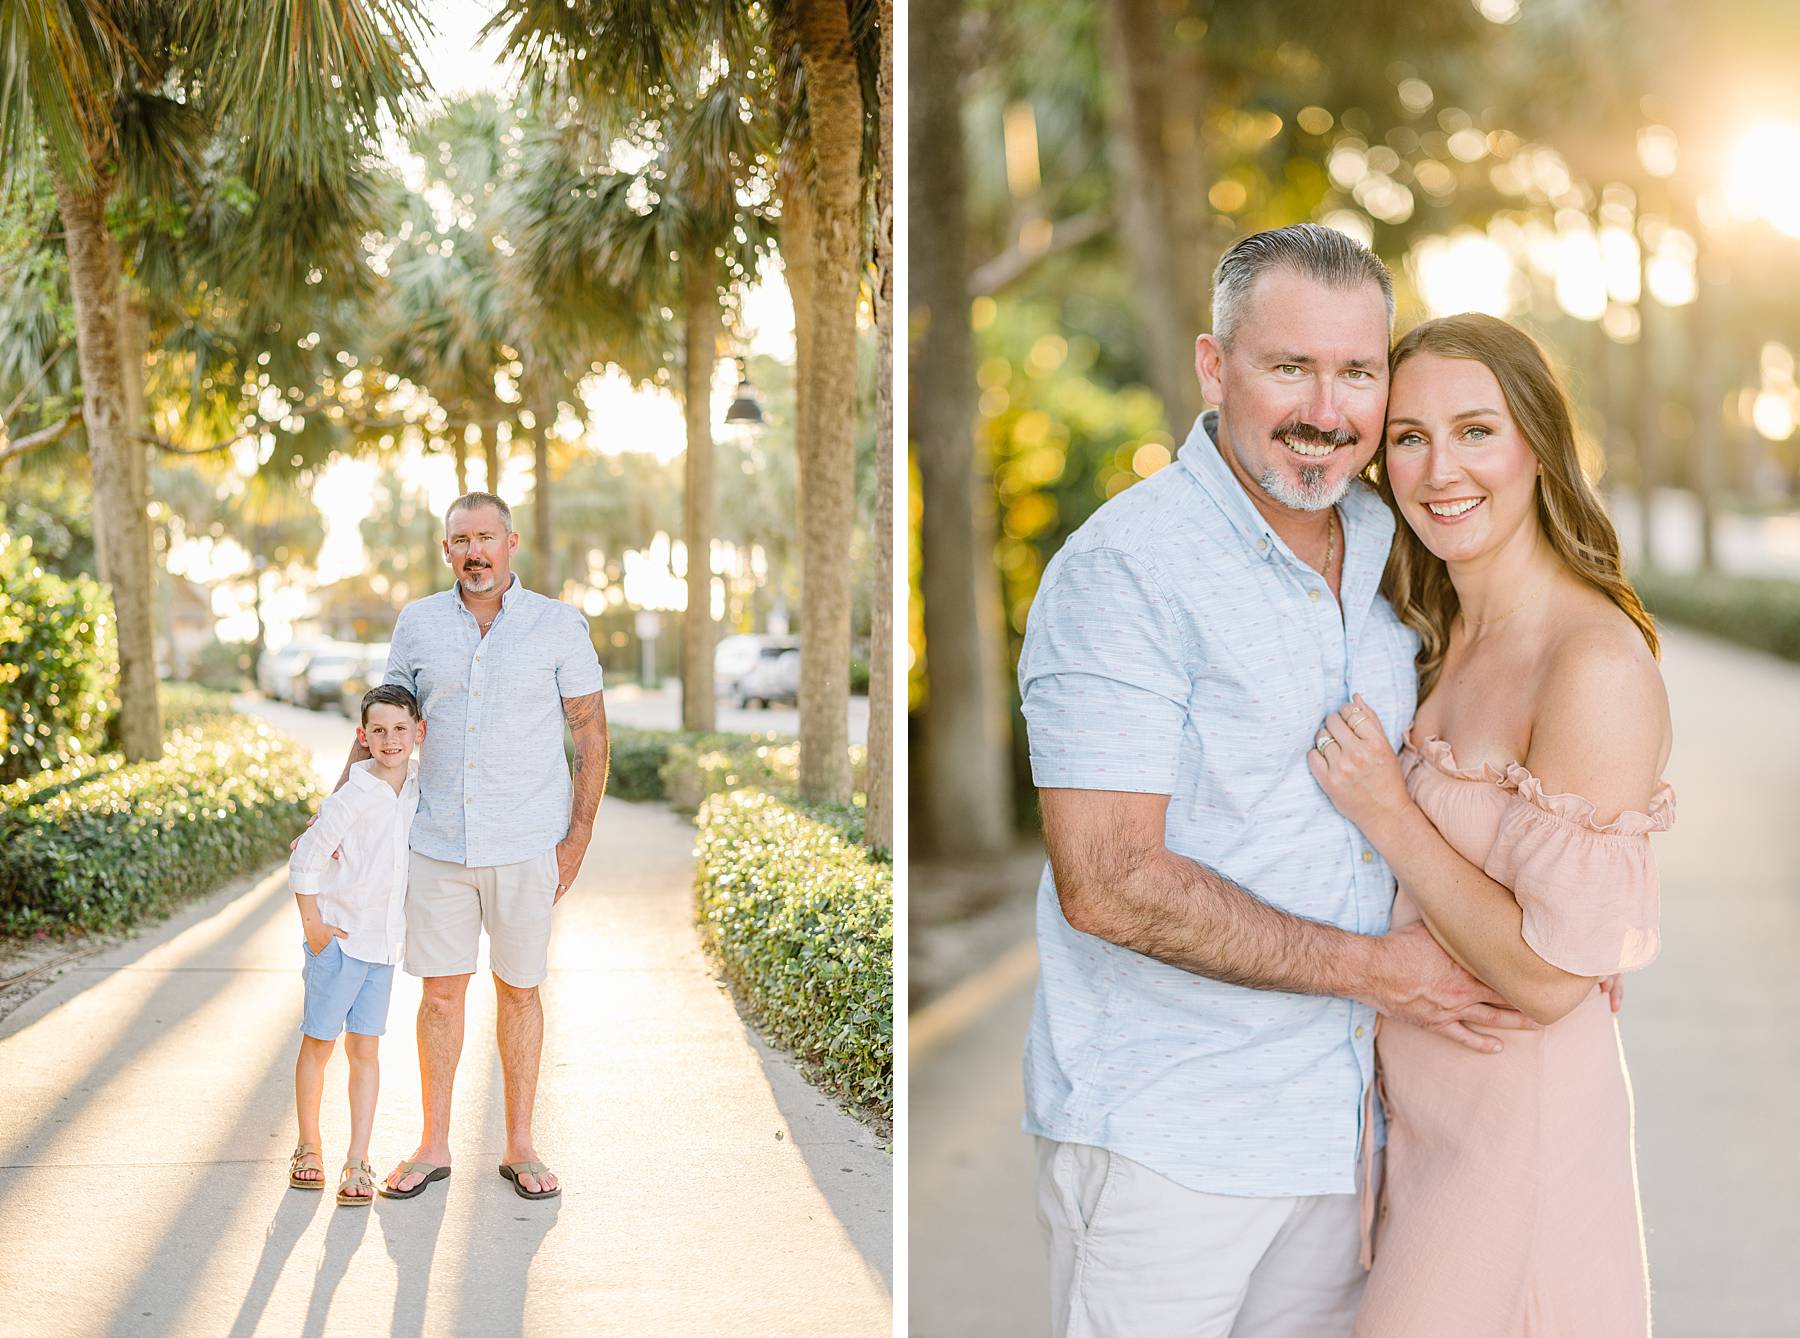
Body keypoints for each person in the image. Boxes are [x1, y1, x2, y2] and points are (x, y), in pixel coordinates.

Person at [1017, 224, 1544, 1337]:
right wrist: (1382, 974)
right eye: (1288, 365)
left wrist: (1566, 908)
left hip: (1347, 1141)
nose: (1326, 407)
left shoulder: (1395, 545)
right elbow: (1107, 882)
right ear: (1215, 367)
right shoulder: (1125, 572)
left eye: (1356, 370)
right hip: (1171, 1145)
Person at [1308, 313, 1672, 1336]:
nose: (1438, 469)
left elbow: (1555, 980)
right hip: (1425, 1132)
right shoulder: (1437, 633)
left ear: (1538, 446)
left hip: (1523, 1147)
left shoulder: (1591, 664)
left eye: (1476, 430)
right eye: (1410, 437)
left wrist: (1388, 809)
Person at [318, 490, 607, 1202]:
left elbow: (591, 735)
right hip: (438, 844)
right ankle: (433, 1143)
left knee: (519, 991)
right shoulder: (416, 625)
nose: (473, 551)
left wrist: (575, 841)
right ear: (446, 550)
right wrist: (334, 824)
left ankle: (519, 1144)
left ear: (510, 543)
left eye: (485, 537)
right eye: (460, 540)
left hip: (526, 844)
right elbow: (381, 728)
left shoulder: (559, 625)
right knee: (441, 997)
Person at [286, 684, 423, 1207]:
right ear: (363, 737)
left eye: (400, 729)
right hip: (339, 943)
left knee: (365, 1051)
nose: (391, 740)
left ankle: (358, 1159)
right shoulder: (350, 796)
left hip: (383, 948)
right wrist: (314, 927)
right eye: (379, 730)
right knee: (318, 1045)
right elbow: (305, 860)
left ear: (418, 733)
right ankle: (308, 1147)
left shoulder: (415, 787)